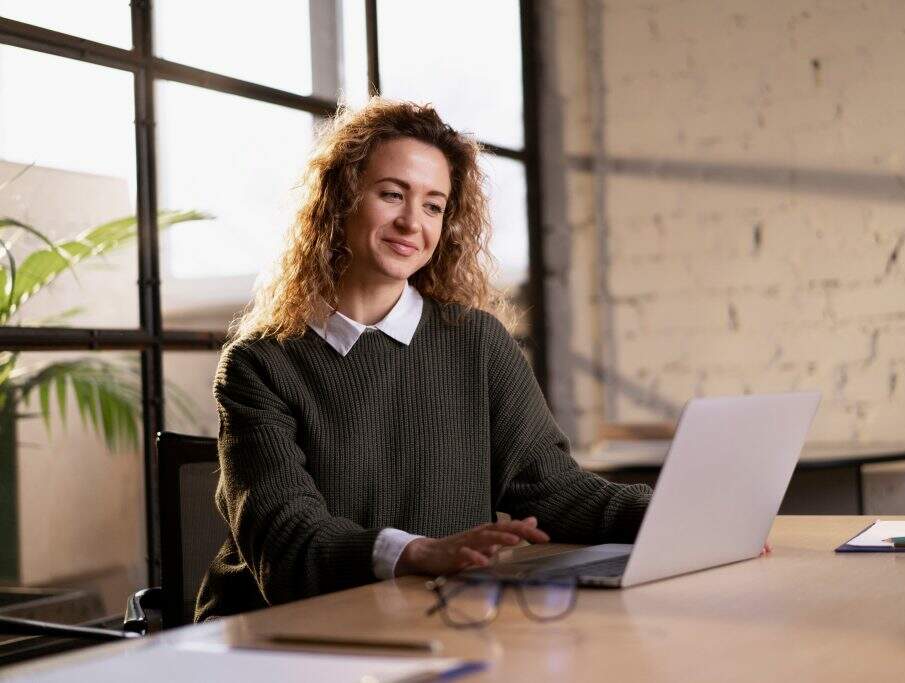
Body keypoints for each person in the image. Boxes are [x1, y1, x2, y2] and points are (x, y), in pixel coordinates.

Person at [193, 99, 652, 622]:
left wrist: (675, 512)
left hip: (433, 614)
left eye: (434, 205)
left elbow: (555, 489)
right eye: (392, 195)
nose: (413, 222)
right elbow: (288, 546)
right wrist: (418, 553)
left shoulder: (478, 343)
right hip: (277, 636)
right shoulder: (260, 364)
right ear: (339, 200)